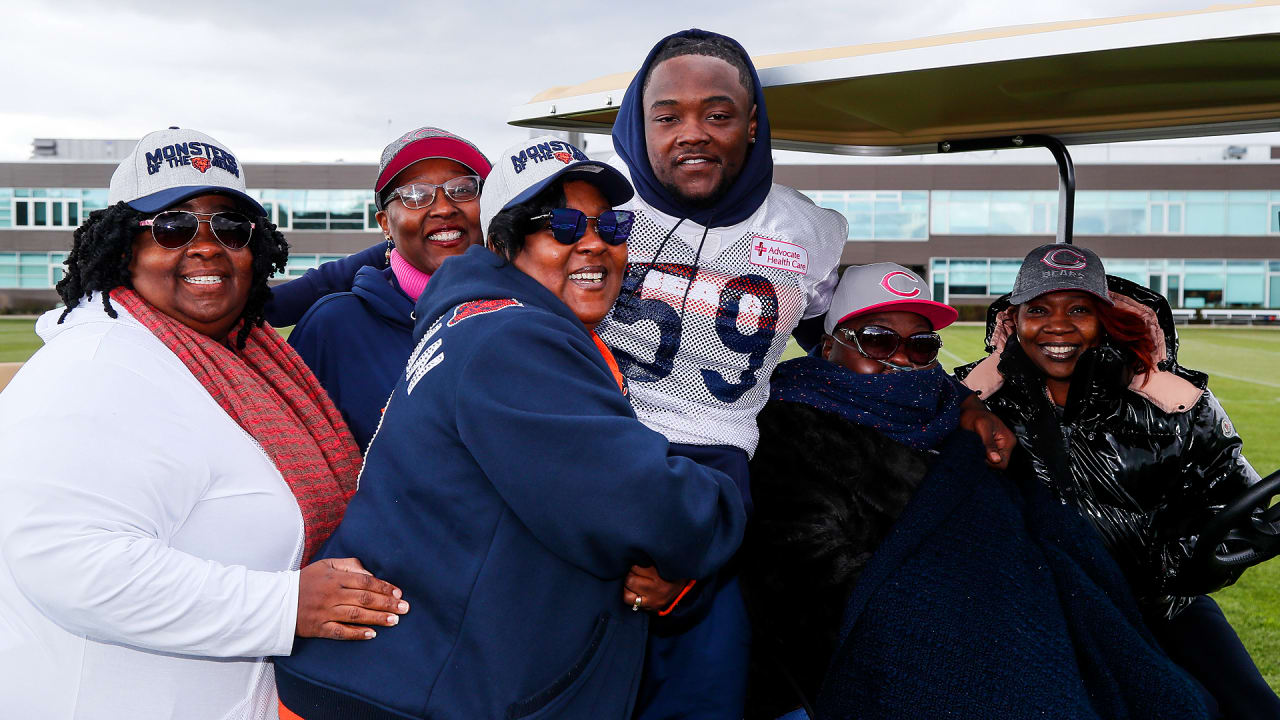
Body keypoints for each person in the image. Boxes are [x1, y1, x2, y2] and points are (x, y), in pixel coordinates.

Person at [602, 29, 1013, 719]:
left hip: (718, 472)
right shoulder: (602, 213)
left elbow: (861, 342)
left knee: (711, 687)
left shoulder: (804, 229)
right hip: (604, 455)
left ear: (753, 122)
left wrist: (958, 404)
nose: (692, 133)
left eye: (719, 113)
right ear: (637, 124)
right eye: (667, 114)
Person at [274, 137, 748, 720]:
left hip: (411, 677)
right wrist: (723, 491)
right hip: (423, 692)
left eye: (613, 225)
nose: (594, 242)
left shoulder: (485, 321)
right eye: (563, 226)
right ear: (502, 244)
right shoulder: (512, 338)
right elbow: (653, 512)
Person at [0, 128, 408, 719]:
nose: (206, 245)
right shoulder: (94, 367)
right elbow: (70, 562)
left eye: (230, 227)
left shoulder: (251, 357)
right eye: (171, 227)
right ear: (122, 248)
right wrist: (282, 605)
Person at [741, 263, 1209, 720]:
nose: (901, 358)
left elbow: (1029, 523)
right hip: (905, 642)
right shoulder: (790, 426)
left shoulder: (953, 412)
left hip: (1026, 614)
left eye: (921, 345)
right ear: (828, 347)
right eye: (878, 339)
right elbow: (807, 582)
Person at [955, 243, 1278, 719]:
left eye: (1079, 309)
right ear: (1013, 320)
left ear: (1105, 317)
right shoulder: (973, 402)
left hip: (1165, 603)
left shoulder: (1180, 402)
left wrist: (1189, 560)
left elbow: (1237, 503)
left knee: (1255, 710)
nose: (1058, 325)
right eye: (1038, 309)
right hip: (1042, 615)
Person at [287, 127, 491, 449]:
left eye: (463, 189)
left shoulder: (532, 310)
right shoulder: (335, 326)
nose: (442, 208)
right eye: (415, 195)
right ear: (385, 223)